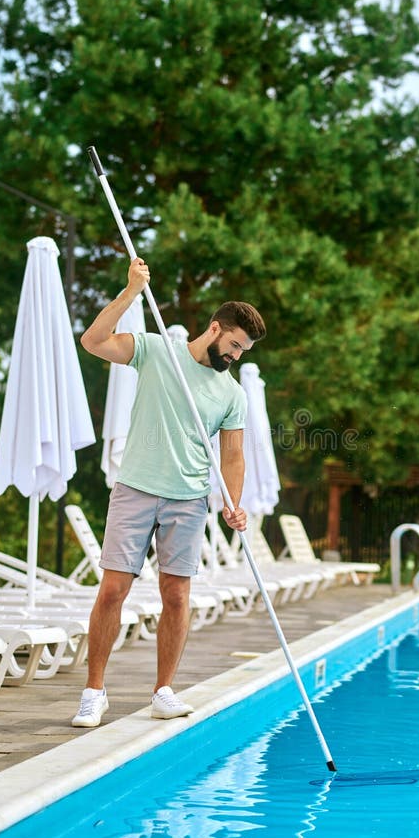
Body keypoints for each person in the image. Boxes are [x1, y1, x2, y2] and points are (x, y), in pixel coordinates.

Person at [72, 257, 266, 727]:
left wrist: (233, 505)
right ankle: (93, 691)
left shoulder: (232, 394)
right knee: (114, 589)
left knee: (177, 596)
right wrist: (131, 292)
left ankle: (163, 690)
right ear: (216, 328)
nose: (235, 357)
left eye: (243, 352)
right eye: (235, 345)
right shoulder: (157, 350)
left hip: (188, 498)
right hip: (136, 487)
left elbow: (233, 456)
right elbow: (92, 341)